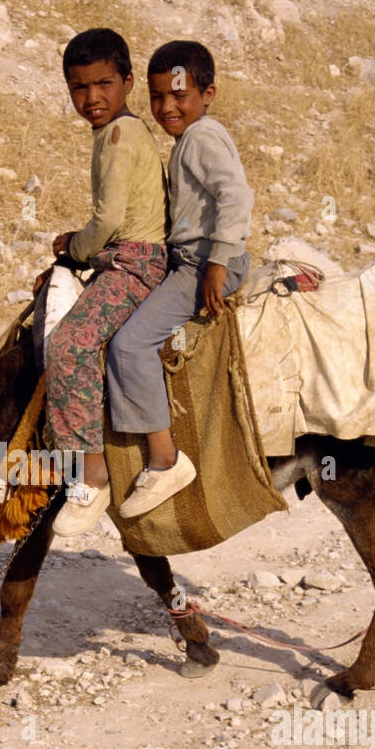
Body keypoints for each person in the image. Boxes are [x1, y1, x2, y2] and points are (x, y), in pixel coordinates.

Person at [106, 40, 254, 518]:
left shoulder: (202, 138)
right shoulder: (191, 139)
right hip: (190, 259)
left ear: (208, 92)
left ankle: (164, 459)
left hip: (204, 263)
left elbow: (236, 196)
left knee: (129, 345)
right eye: (156, 98)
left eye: (179, 96)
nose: (166, 107)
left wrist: (216, 263)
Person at [40, 27, 168, 537]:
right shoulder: (119, 132)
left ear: (129, 82)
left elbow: (109, 219)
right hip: (127, 255)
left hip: (134, 261)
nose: (92, 98)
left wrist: (75, 246)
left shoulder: (117, 136)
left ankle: (92, 476)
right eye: (79, 87)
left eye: (104, 84)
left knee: (69, 344)